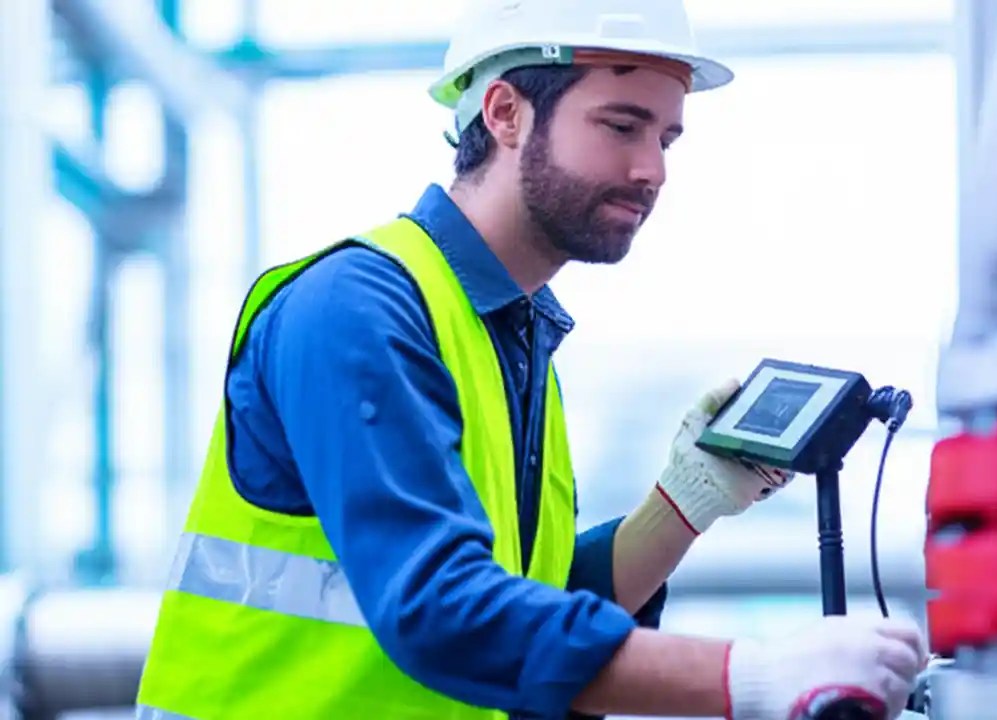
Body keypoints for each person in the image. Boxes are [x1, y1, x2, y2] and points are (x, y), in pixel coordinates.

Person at [133, 0, 929, 718]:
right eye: (621, 126)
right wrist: (754, 675)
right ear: (506, 112)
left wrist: (684, 503)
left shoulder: (509, 329)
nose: (652, 169)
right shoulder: (357, 310)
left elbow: (532, 606)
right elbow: (441, 611)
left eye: (666, 136)